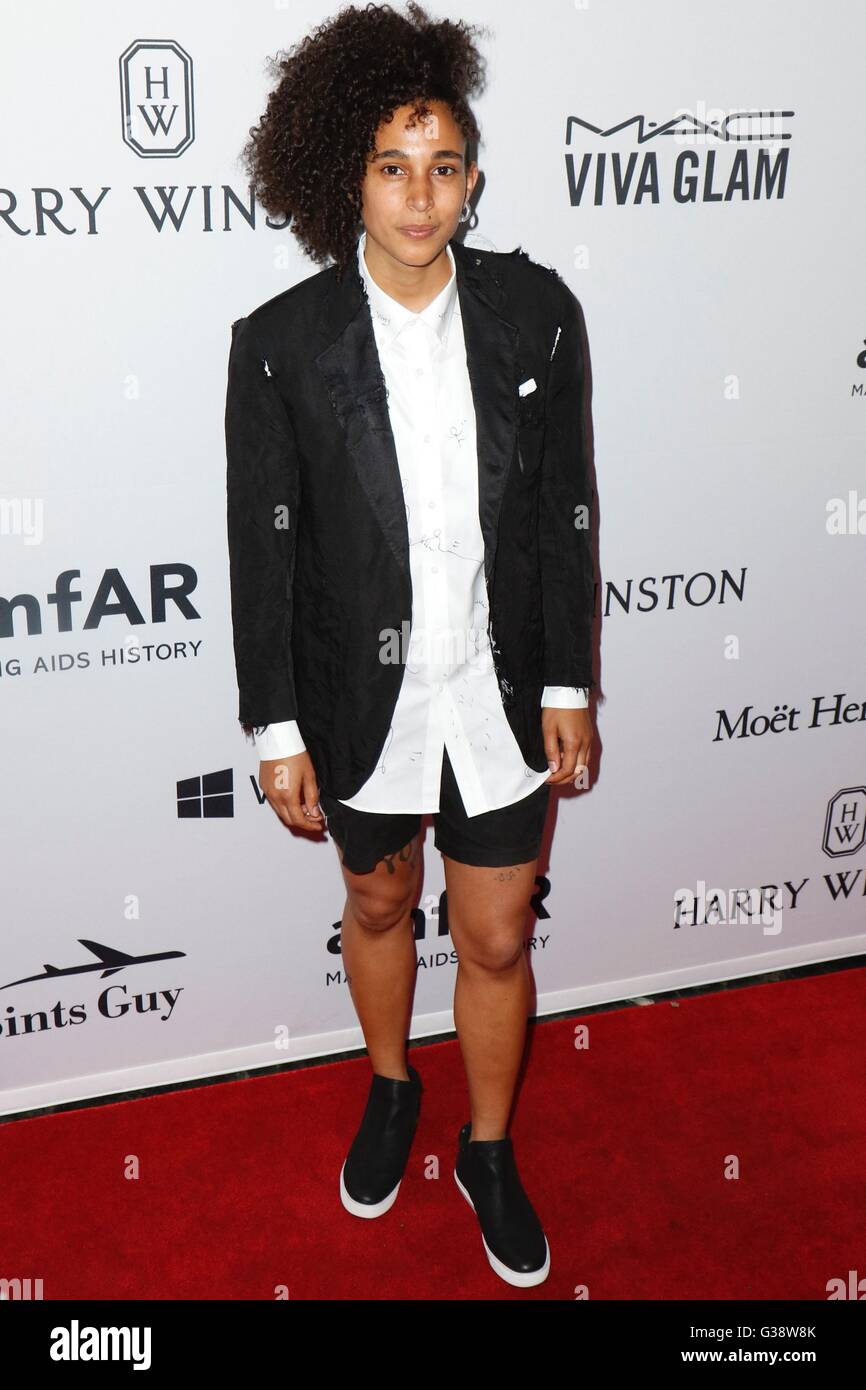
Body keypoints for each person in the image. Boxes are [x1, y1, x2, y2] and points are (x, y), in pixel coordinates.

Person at [225, 1, 596, 1289]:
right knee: (379, 904)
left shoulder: (536, 314)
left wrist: (567, 681)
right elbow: (260, 546)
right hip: (359, 695)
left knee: (496, 936)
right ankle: (391, 1087)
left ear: (473, 177)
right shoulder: (279, 345)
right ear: (351, 176)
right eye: (394, 165)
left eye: (444, 167)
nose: (421, 195)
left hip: (497, 696)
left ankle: (488, 1148)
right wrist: (275, 724)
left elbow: (563, 512)